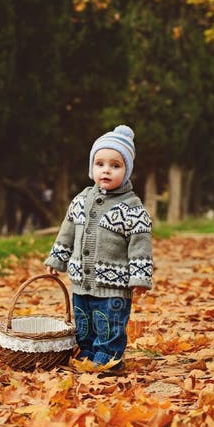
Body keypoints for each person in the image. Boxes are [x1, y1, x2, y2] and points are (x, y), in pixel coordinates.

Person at [45, 124, 153, 373]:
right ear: (91, 167)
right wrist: (57, 259)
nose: (106, 170)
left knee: (109, 323)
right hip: (81, 280)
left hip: (114, 284)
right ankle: (87, 352)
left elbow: (140, 245)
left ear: (127, 171)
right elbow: (67, 231)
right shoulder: (81, 199)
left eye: (115, 165)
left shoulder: (132, 208)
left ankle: (109, 357)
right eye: (100, 164)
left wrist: (140, 276)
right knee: (83, 320)